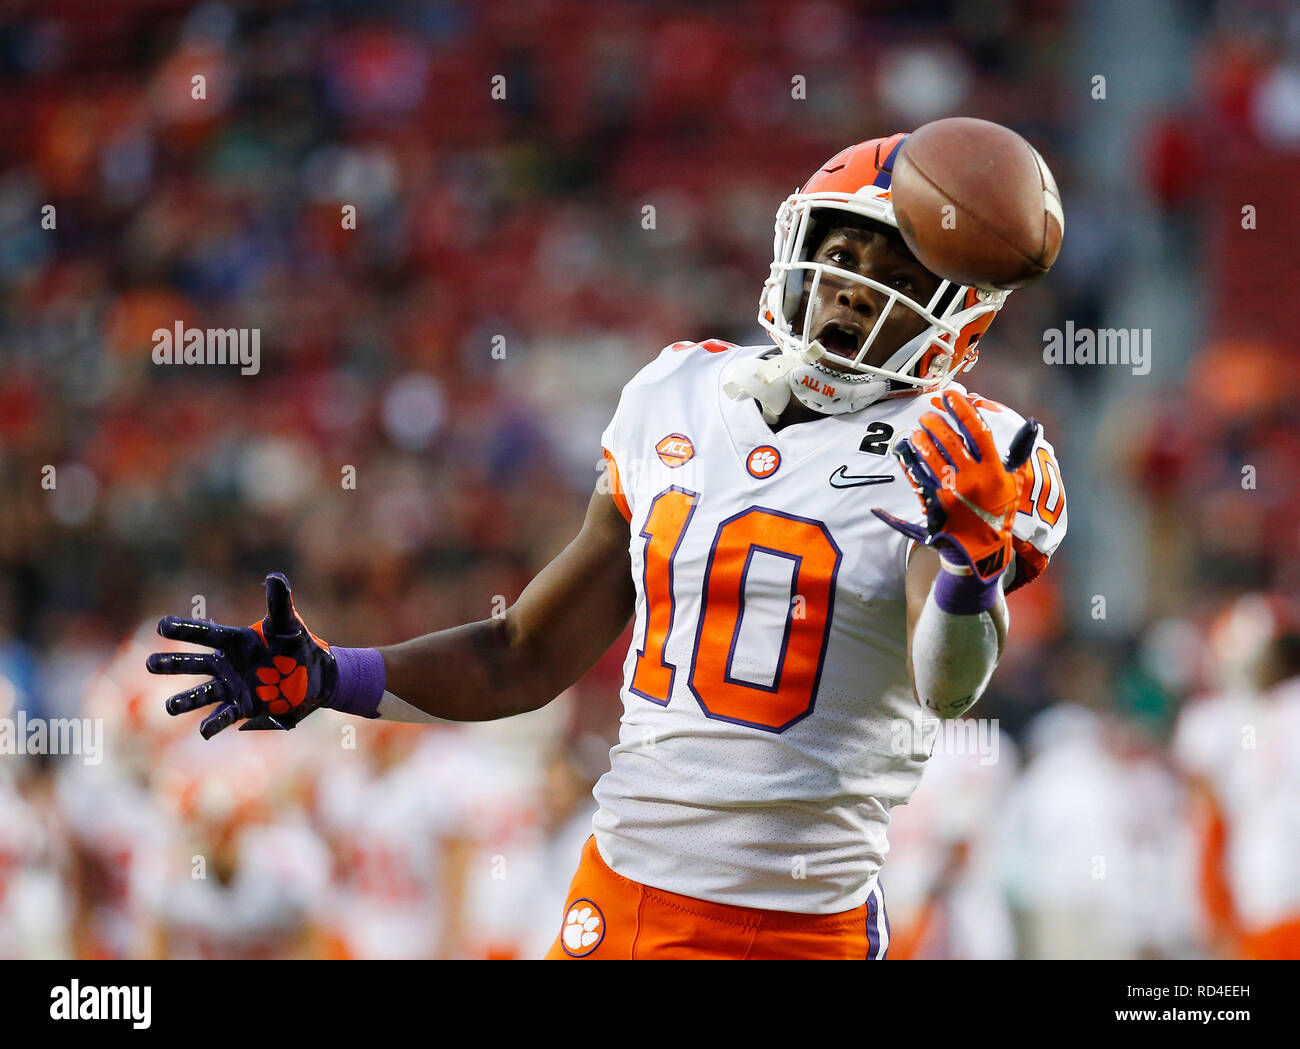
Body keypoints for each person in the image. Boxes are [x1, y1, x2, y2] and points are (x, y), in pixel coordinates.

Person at [146, 133, 1068, 960]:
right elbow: (523, 652)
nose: (849, 294)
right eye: (837, 255)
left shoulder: (971, 449)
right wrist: (331, 677)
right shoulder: (679, 392)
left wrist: (968, 570)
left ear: (961, 312)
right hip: (616, 895)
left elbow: (948, 686)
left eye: (896, 279)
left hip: (792, 927)